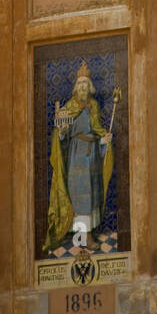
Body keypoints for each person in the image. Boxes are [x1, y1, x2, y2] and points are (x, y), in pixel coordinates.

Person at [43, 61, 113, 254]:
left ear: (89, 86)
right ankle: (82, 237)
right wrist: (63, 132)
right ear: (76, 86)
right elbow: (61, 136)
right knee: (80, 195)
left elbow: (97, 130)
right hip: (76, 156)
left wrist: (104, 140)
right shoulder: (70, 106)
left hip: (92, 158)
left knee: (92, 195)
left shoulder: (94, 106)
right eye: (80, 84)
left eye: (85, 84)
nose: (83, 87)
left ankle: (88, 233)